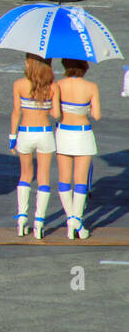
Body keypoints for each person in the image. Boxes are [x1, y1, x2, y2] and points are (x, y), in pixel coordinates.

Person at [50, 59, 100, 240]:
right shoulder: (91, 86)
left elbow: (55, 114)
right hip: (83, 133)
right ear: (84, 67)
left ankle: (71, 219)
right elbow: (96, 115)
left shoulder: (58, 85)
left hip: (63, 132)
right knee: (80, 180)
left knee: (64, 179)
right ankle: (76, 221)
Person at [10, 54, 55, 240]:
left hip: (25, 133)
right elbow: (56, 113)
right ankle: (39, 222)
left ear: (29, 63)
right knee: (43, 177)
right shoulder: (53, 87)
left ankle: (22, 219)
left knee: (25, 175)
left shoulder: (19, 84)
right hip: (45, 133)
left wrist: (12, 137)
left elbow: (16, 112)